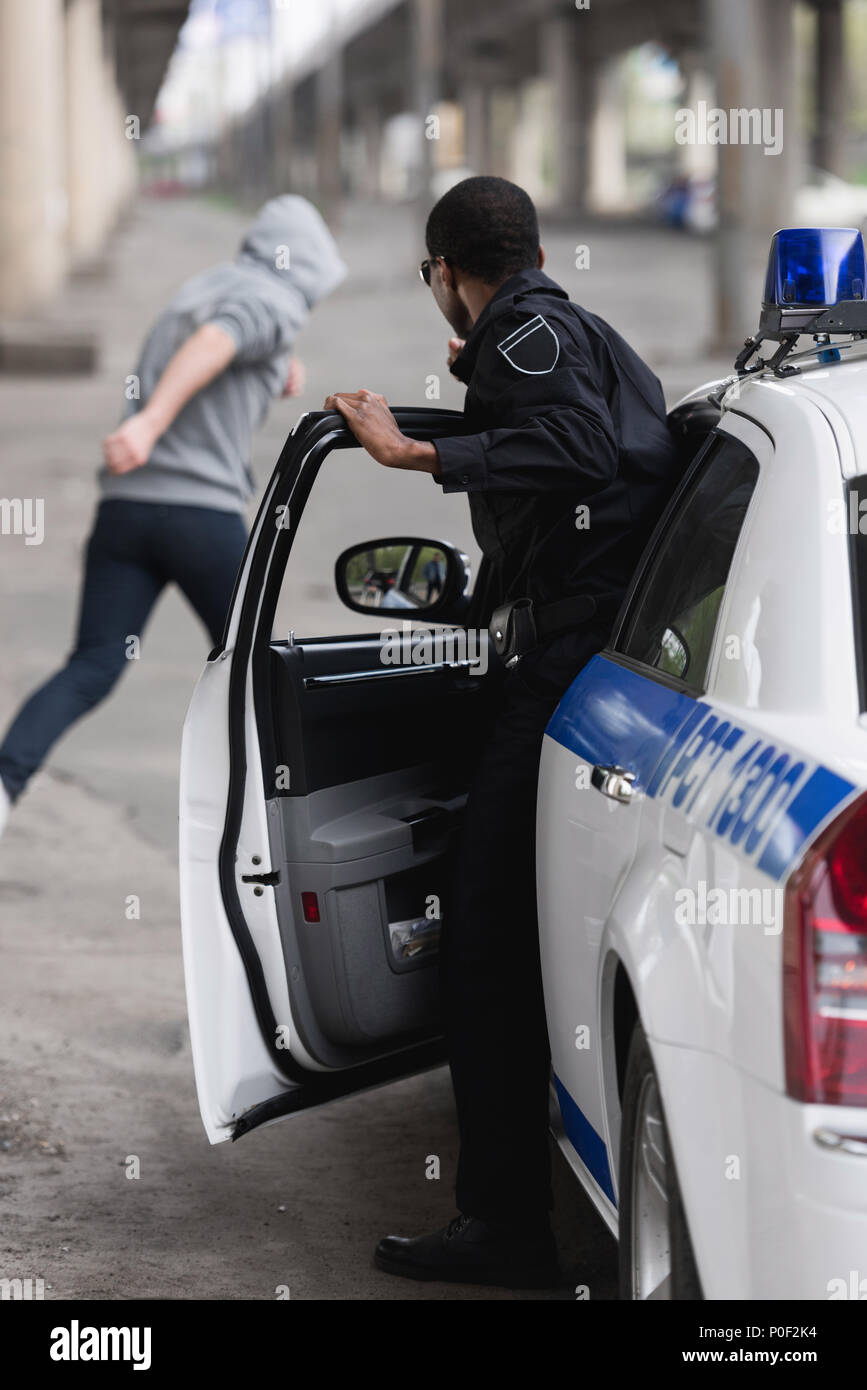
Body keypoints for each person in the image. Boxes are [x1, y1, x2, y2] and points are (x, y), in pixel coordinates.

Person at [324, 175, 681, 1290]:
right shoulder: (572, 325)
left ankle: (506, 1222)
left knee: (482, 947)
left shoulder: (526, 332)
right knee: (503, 939)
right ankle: (514, 1203)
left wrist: (417, 454)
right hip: (584, 659)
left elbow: (574, 447)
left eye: (432, 276)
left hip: (566, 671)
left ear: (446, 272)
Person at [0, 196, 346, 837]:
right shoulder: (270, 299)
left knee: (92, 667)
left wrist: (274, 370)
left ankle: (2, 784)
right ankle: (290, 830)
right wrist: (149, 424)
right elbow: (217, 344)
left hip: (126, 510)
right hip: (198, 518)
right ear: (303, 268)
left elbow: (212, 348)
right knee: (260, 675)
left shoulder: (202, 289)